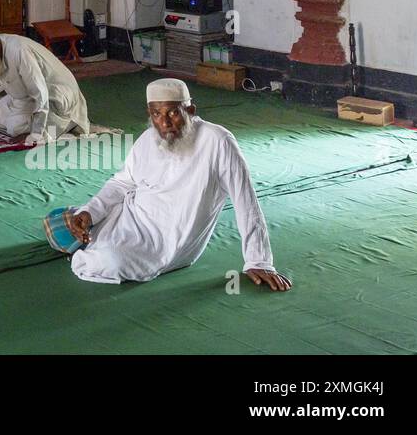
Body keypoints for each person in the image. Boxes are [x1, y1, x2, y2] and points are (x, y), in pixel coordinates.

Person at [43, 77, 292, 290]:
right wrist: (91, 210)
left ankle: (94, 239)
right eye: (156, 114)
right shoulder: (148, 138)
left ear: (190, 110)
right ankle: (85, 222)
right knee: (60, 226)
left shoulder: (217, 142)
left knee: (109, 261)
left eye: (173, 112)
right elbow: (122, 183)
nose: (164, 123)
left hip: (168, 240)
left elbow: (245, 201)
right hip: (130, 216)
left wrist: (259, 261)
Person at [0, 26, 90, 143]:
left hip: (57, 97)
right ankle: (28, 120)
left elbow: (41, 92)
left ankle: (67, 123)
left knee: (15, 128)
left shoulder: (20, 51)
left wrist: (35, 134)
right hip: (25, 97)